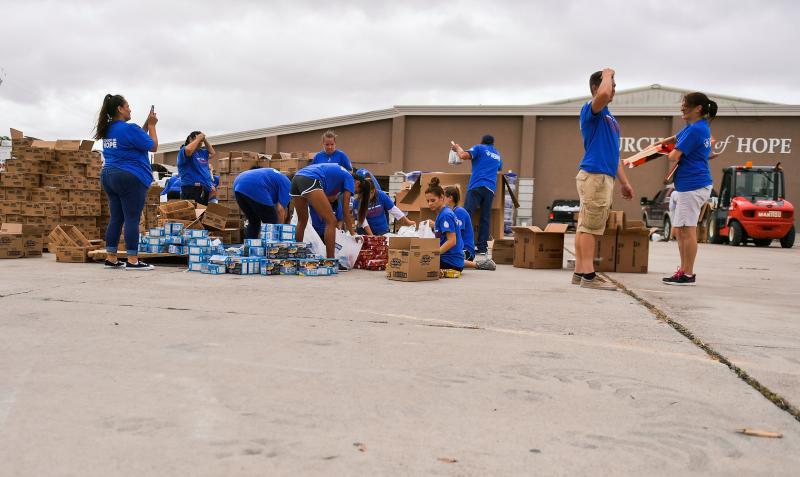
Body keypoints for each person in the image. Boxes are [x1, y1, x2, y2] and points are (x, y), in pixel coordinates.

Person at [573, 68, 634, 290]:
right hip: (595, 175)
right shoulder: (592, 110)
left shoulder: (609, 118)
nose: (613, 89)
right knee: (590, 228)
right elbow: (604, 95)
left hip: (601, 175)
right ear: (595, 88)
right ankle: (589, 276)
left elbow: (614, 154)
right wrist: (608, 73)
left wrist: (625, 182)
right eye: (611, 84)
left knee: (585, 226)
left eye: (615, 84)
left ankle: (580, 272)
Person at [654, 93, 717, 286]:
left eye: (685, 105)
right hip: (692, 185)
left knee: (687, 230)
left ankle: (687, 273)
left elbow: (673, 156)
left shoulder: (695, 130)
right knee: (681, 230)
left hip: (693, 186)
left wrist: (661, 150)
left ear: (697, 108)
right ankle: (683, 270)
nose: (682, 107)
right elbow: (675, 138)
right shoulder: (697, 127)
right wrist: (664, 141)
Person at [93, 94, 158, 270]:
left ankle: (111, 258)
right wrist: (151, 125)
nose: (130, 109)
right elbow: (153, 146)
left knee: (116, 218)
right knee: (132, 218)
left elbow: (136, 137)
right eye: (128, 106)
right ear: (120, 109)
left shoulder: (108, 130)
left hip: (108, 175)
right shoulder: (130, 129)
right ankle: (132, 260)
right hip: (130, 175)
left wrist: (145, 124)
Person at [291, 163, 369, 259]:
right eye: (355, 191)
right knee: (331, 221)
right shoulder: (349, 178)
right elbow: (345, 211)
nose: (352, 193)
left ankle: (296, 257)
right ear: (357, 183)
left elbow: (330, 197)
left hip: (296, 178)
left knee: (302, 220)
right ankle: (330, 260)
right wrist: (353, 233)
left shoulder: (338, 175)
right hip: (311, 179)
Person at [450, 134, 502, 257]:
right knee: (485, 218)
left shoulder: (479, 148)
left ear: (482, 142)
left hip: (477, 185)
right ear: (492, 144)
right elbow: (499, 168)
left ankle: (461, 244)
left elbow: (463, 156)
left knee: (465, 214)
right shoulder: (497, 155)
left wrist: (457, 148)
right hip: (490, 188)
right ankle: (482, 247)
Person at [444, 185, 496, 270]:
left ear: (450, 198)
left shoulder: (459, 212)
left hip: (465, 250)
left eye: (443, 197)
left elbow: (455, 235)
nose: (441, 200)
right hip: (457, 249)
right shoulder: (449, 213)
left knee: (448, 259)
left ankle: (479, 264)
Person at [233, 167, 292, 240]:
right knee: (271, 221)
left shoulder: (277, 179)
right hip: (254, 185)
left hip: (238, 183)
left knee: (254, 221)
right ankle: (273, 246)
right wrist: (279, 232)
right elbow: (280, 210)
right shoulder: (289, 184)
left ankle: (250, 247)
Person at [353, 171, 415, 235]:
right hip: (365, 234)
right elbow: (363, 222)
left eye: (371, 193)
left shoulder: (381, 195)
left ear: (374, 190)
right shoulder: (357, 202)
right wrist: (371, 236)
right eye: (367, 194)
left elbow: (394, 210)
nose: (369, 196)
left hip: (382, 231)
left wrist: (407, 222)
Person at [425, 177, 464, 272]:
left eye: (433, 200)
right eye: (428, 201)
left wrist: (434, 254)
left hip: (450, 262)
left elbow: (452, 241)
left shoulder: (445, 215)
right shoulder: (442, 213)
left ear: (442, 198)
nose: (430, 204)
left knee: (414, 262)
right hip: (448, 259)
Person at [177, 131, 216, 205]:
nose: (200, 143)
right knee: (193, 214)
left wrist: (204, 139)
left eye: (201, 142)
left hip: (204, 189)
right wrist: (197, 139)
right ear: (190, 139)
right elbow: (188, 150)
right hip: (191, 188)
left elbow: (213, 153)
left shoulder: (202, 152)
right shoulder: (184, 150)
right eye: (198, 141)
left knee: (202, 213)